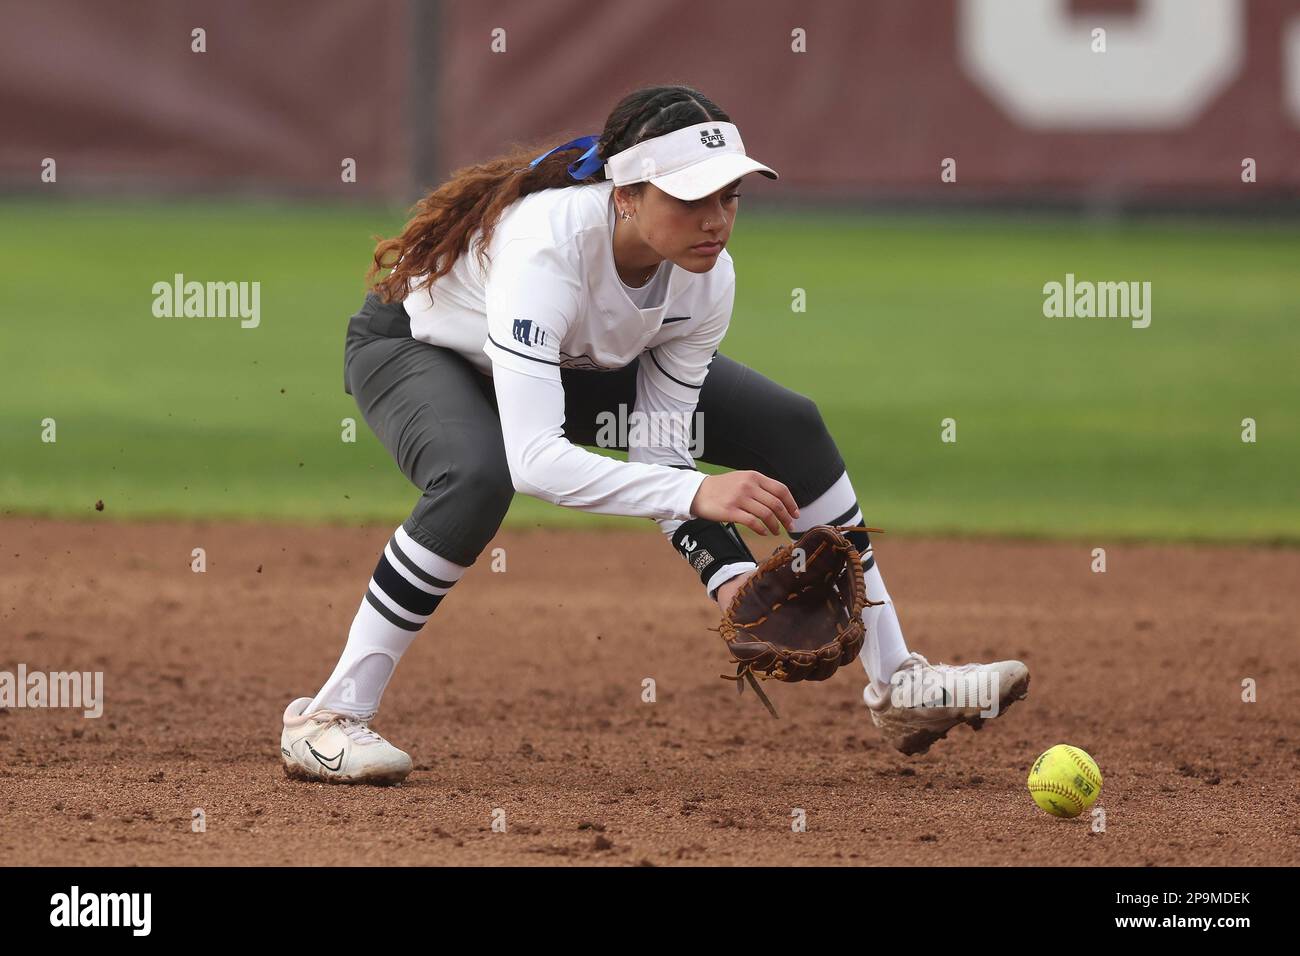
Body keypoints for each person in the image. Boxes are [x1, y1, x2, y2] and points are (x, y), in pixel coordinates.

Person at [280, 85, 1029, 785]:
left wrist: (729, 577)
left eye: (729, 196)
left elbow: (658, 449)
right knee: (478, 475)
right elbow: (537, 461)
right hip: (420, 347)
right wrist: (703, 490)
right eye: (693, 197)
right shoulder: (546, 247)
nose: (716, 220)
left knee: (787, 423)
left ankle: (902, 684)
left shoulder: (706, 278)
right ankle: (329, 716)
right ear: (628, 195)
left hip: (571, 362)